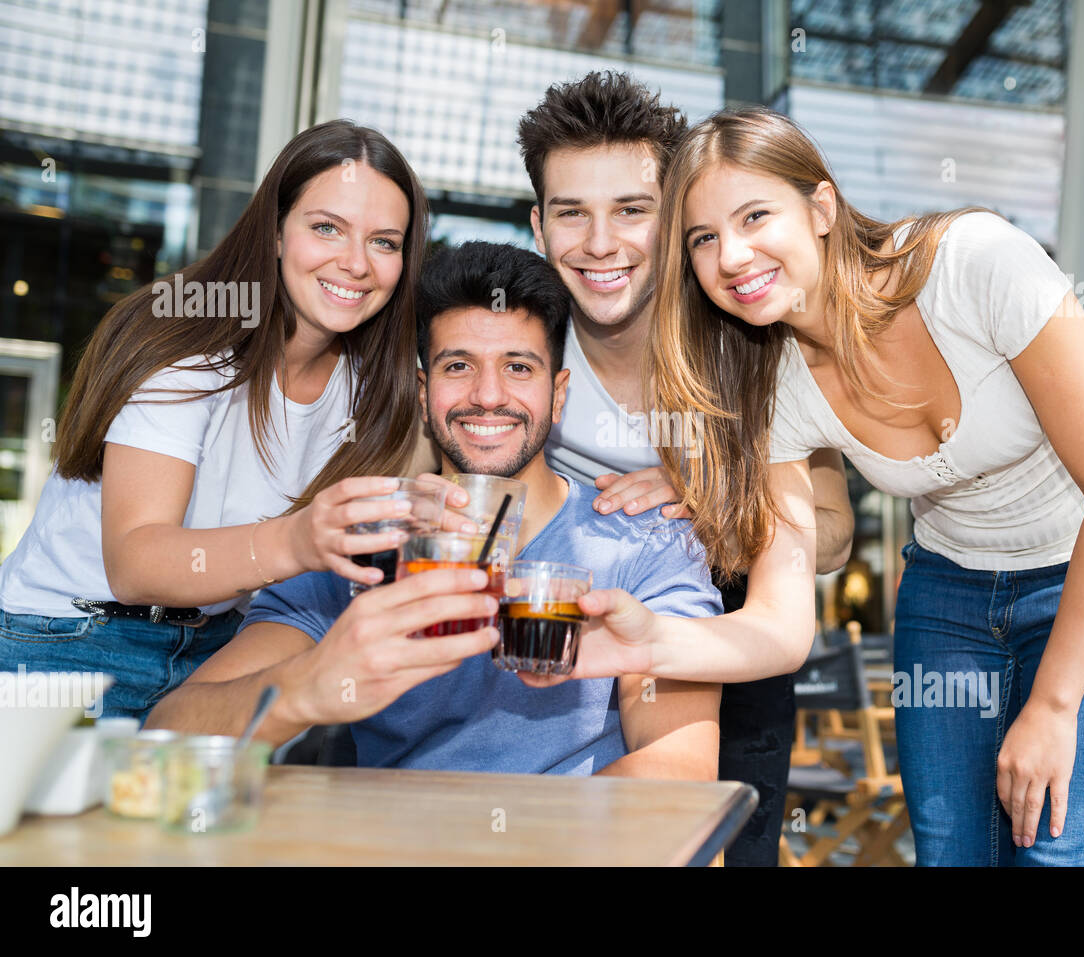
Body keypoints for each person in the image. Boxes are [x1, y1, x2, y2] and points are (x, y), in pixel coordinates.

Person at [641, 106, 1084, 866]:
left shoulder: (976, 263)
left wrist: (1055, 705)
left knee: (1066, 857)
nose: (731, 254)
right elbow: (789, 594)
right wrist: (653, 612)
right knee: (953, 857)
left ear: (821, 207)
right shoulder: (776, 385)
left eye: (755, 214)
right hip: (948, 597)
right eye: (703, 238)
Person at [145, 242, 721, 779]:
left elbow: (676, 775)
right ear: (424, 394)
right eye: (458, 366)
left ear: (559, 392)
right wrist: (305, 689)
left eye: (519, 367)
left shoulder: (649, 542)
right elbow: (168, 732)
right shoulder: (360, 545)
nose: (488, 396)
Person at [0, 119, 451, 720]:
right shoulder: (188, 343)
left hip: (218, 652)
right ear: (275, 234)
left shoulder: (370, 386)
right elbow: (135, 565)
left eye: (384, 242)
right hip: (66, 644)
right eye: (326, 229)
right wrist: (298, 540)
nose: (356, 263)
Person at [516, 71, 854, 861]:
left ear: (674, 220)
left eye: (632, 211)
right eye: (572, 213)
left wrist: (719, 493)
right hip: (559, 630)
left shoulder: (757, 345)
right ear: (539, 225)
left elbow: (831, 539)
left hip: (725, 642)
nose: (601, 244)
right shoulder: (521, 347)